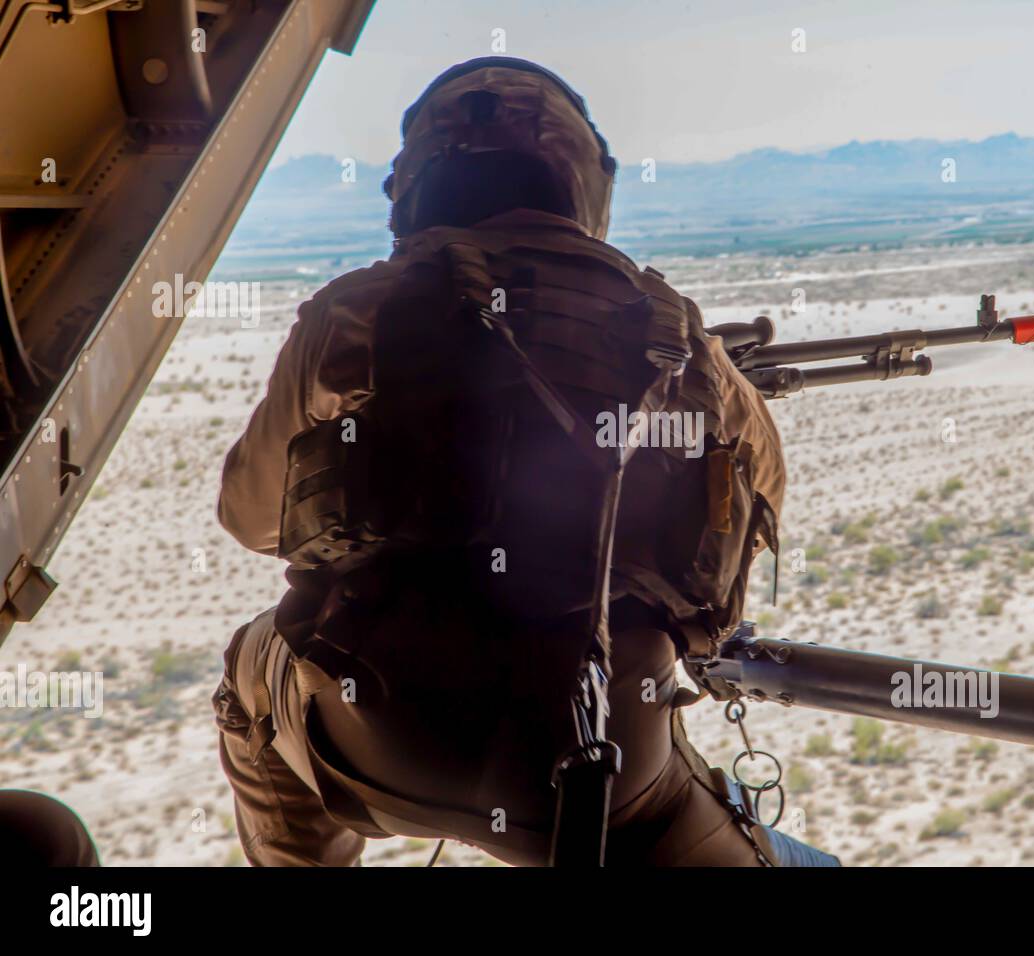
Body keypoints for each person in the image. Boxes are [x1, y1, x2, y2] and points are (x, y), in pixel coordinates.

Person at [212, 56, 837, 867]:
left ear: (417, 184)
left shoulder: (355, 310)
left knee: (250, 671)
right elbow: (729, 576)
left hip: (383, 744)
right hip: (606, 772)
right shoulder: (690, 348)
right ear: (582, 183)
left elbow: (251, 518)